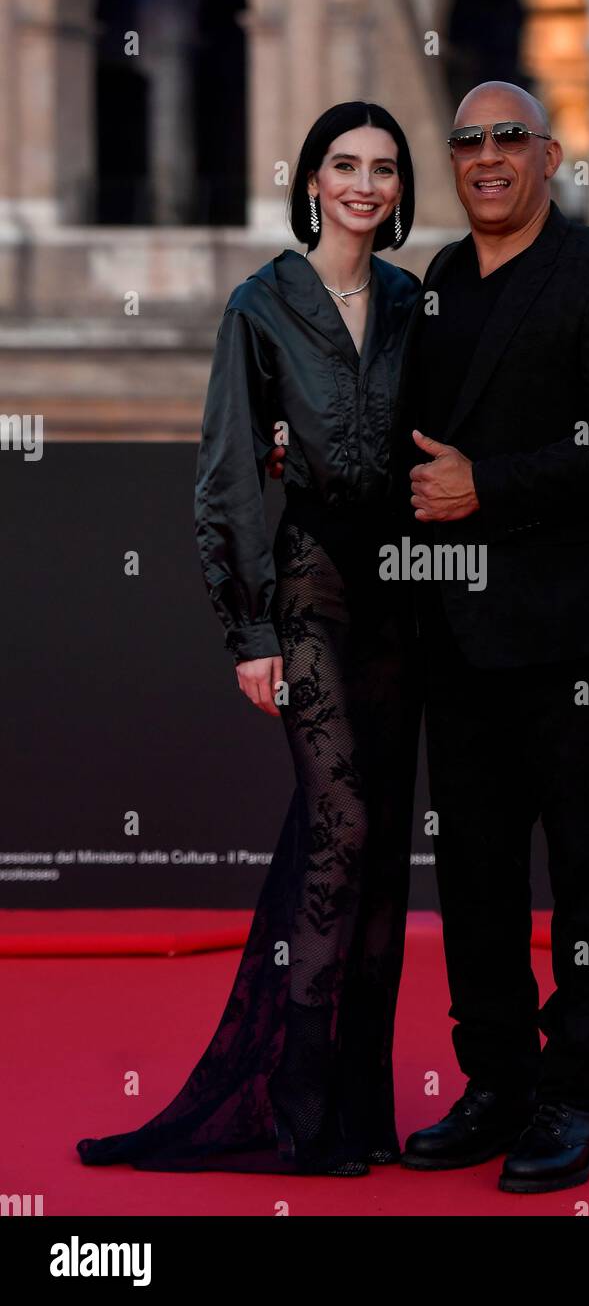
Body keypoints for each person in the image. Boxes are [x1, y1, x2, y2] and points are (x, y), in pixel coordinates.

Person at [75, 102, 422, 1177]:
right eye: (343, 165)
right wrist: (249, 629)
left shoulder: (420, 303)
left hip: (408, 599)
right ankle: (301, 1112)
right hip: (311, 587)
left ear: (399, 190)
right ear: (311, 181)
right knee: (342, 824)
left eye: (382, 168)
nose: (363, 184)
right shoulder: (261, 305)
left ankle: (361, 1110)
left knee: (381, 859)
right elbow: (229, 472)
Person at [392, 81, 589, 1193]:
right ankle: (496, 1079)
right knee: (471, 872)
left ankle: (573, 1091)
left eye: (509, 137)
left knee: (587, 868)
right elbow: (412, 451)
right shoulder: (438, 284)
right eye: (466, 140)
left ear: (549, 155)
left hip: (579, 637)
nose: (487, 156)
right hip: (458, 630)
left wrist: (486, 489)